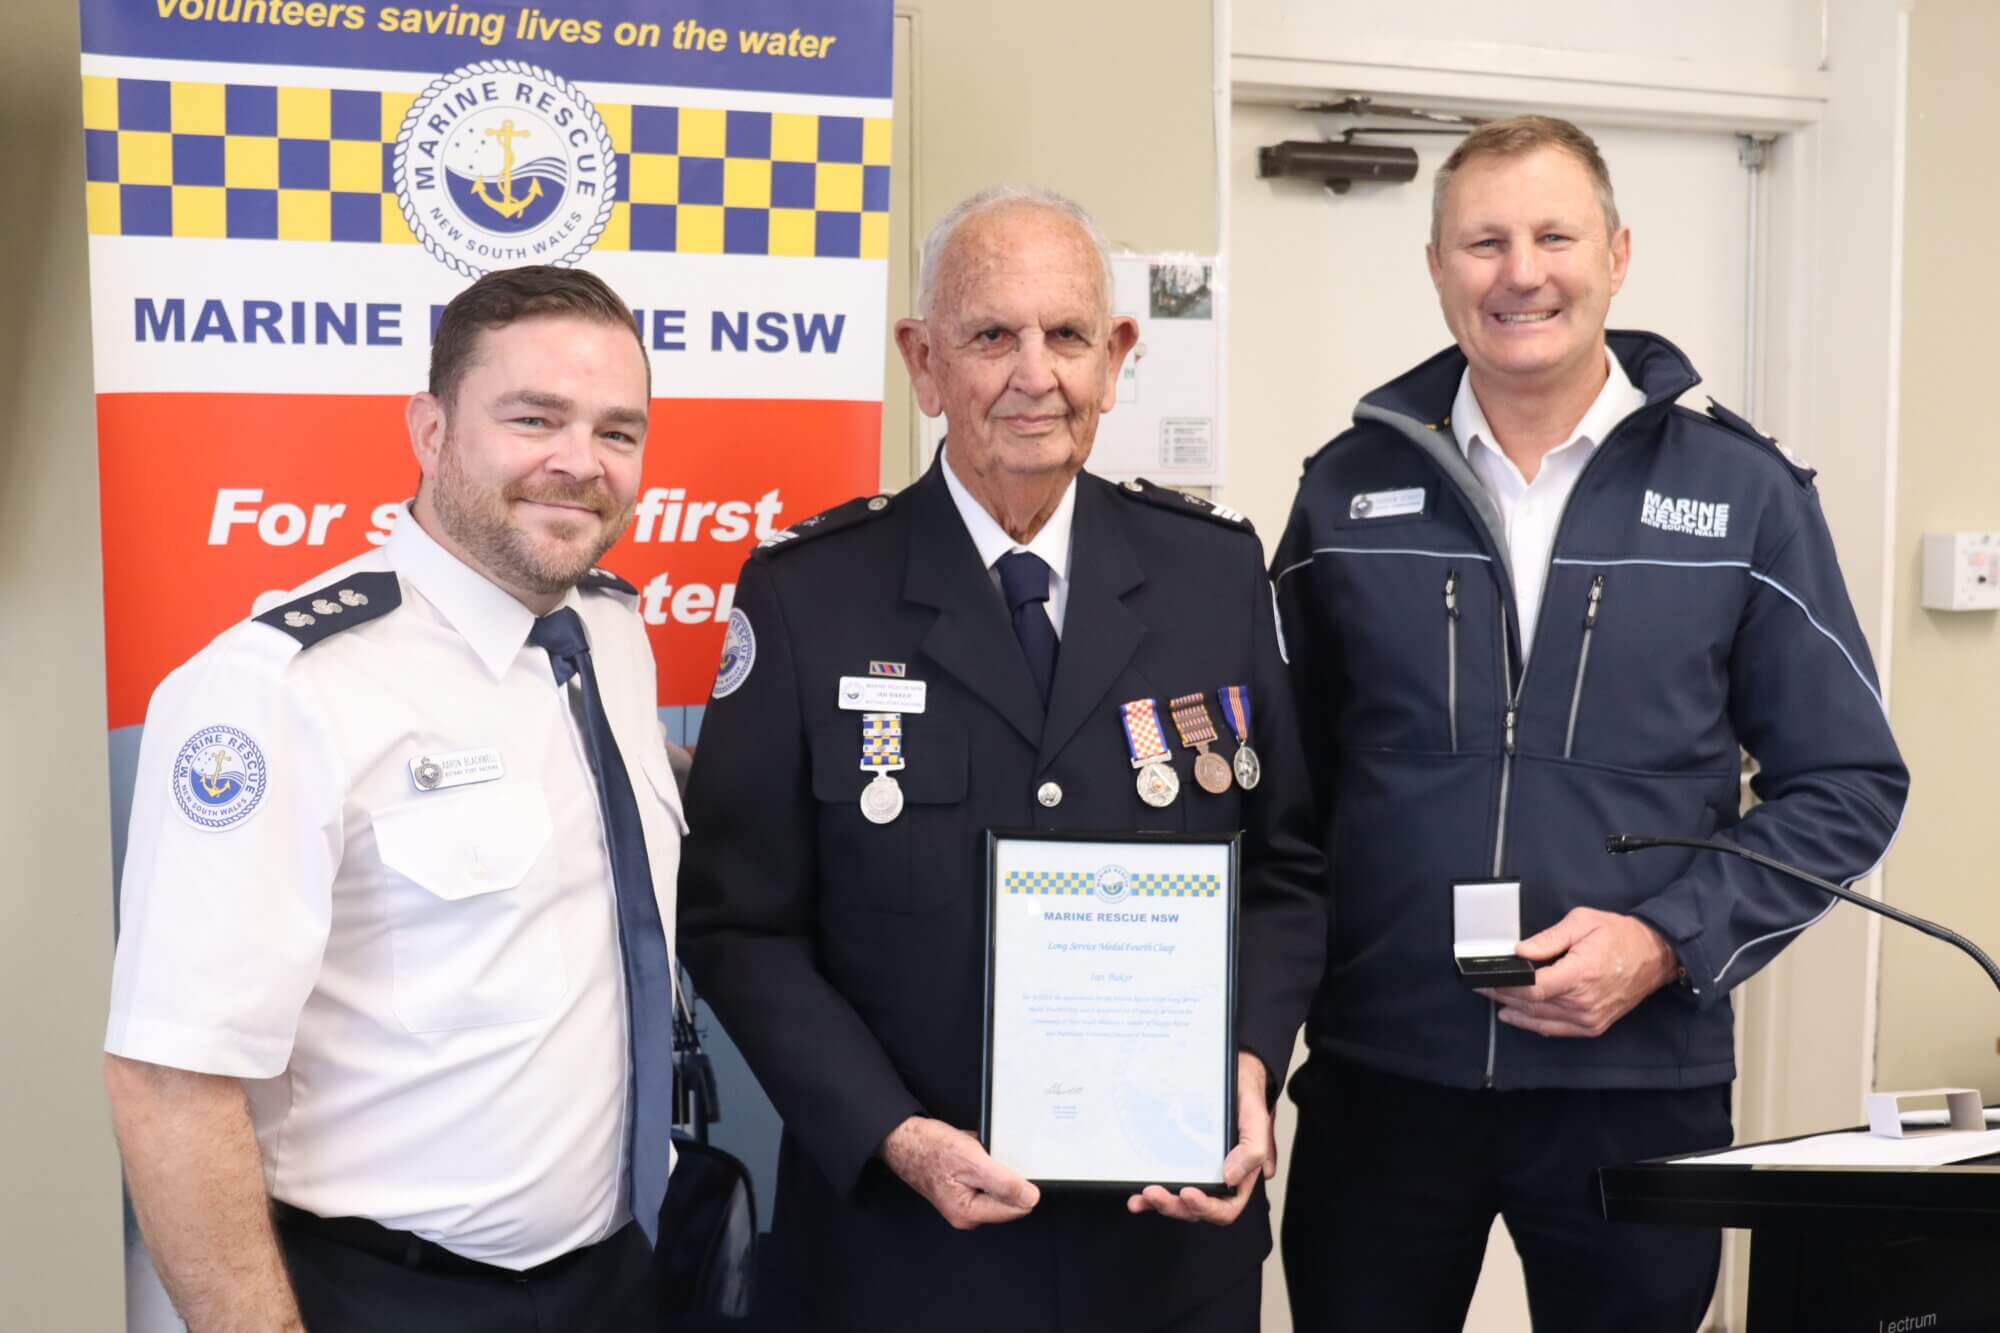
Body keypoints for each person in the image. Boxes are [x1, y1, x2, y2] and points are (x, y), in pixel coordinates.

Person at [1271, 115, 1910, 1331]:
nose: (1521, 272)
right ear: (1435, 267)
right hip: (1382, 1072)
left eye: (1553, 235)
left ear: (1615, 254)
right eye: (1484, 241)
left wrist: (1666, 942)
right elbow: (1276, 790)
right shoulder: (1345, 490)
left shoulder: (1741, 495)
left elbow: (1846, 780)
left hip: (1635, 1081)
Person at [678, 186, 1325, 1332]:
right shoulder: (806, 596)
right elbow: (740, 925)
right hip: (900, 1252)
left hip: (1165, 1249)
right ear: (923, 364)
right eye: (990, 336)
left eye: (1067, 334)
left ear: (1116, 357)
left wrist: (1249, 1065)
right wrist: (890, 1132)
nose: (1036, 374)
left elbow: (1284, 874)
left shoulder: (1212, 575)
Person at [103, 265, 685, 1332]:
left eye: (617, 430)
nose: (579, 462)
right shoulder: (280, 688)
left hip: (614, 1275)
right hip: (385, 1294)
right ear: (430, 428)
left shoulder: (606, 630)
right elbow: (169, 1079)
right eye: (533, 417)